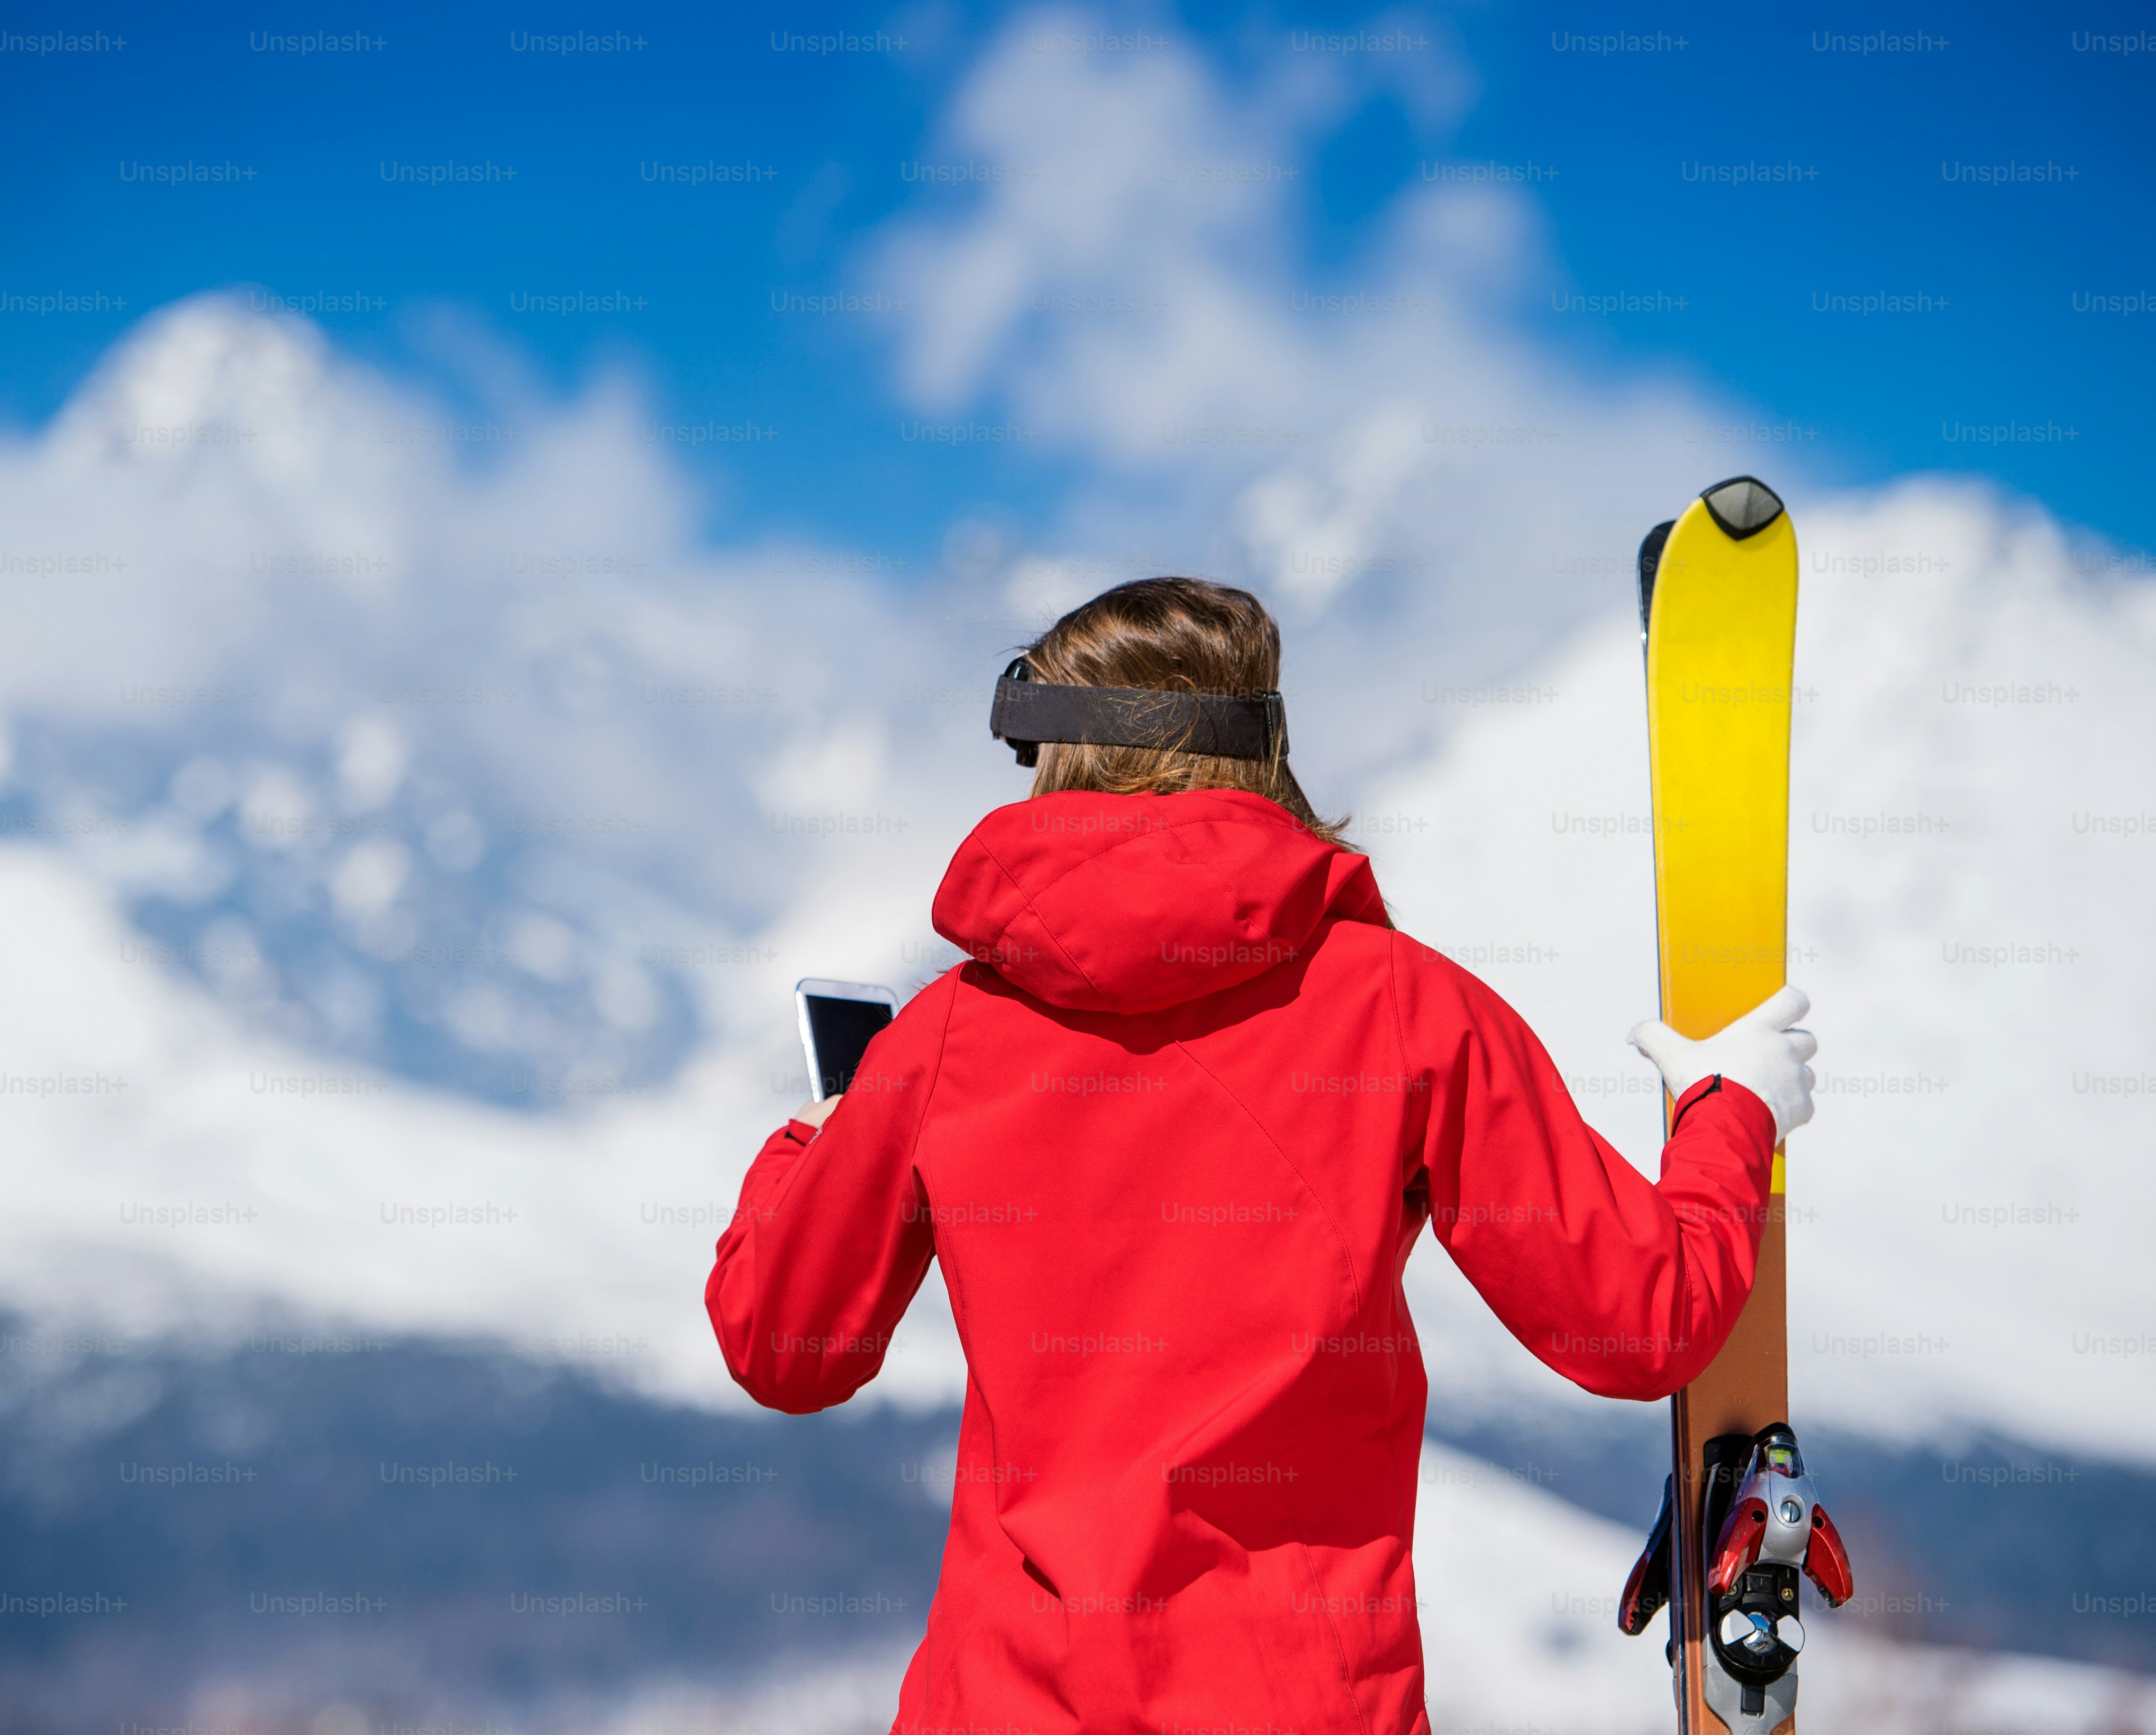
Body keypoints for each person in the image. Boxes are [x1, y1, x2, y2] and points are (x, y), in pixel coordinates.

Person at [705, 577, 1815, 1734]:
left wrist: (820, 1136)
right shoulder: (1404, 1008)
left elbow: (785, 1347)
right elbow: (1641, 1320)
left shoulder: (943, 1039)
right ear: (1267, 746)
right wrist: (1729, 1108)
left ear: (1050, 759)